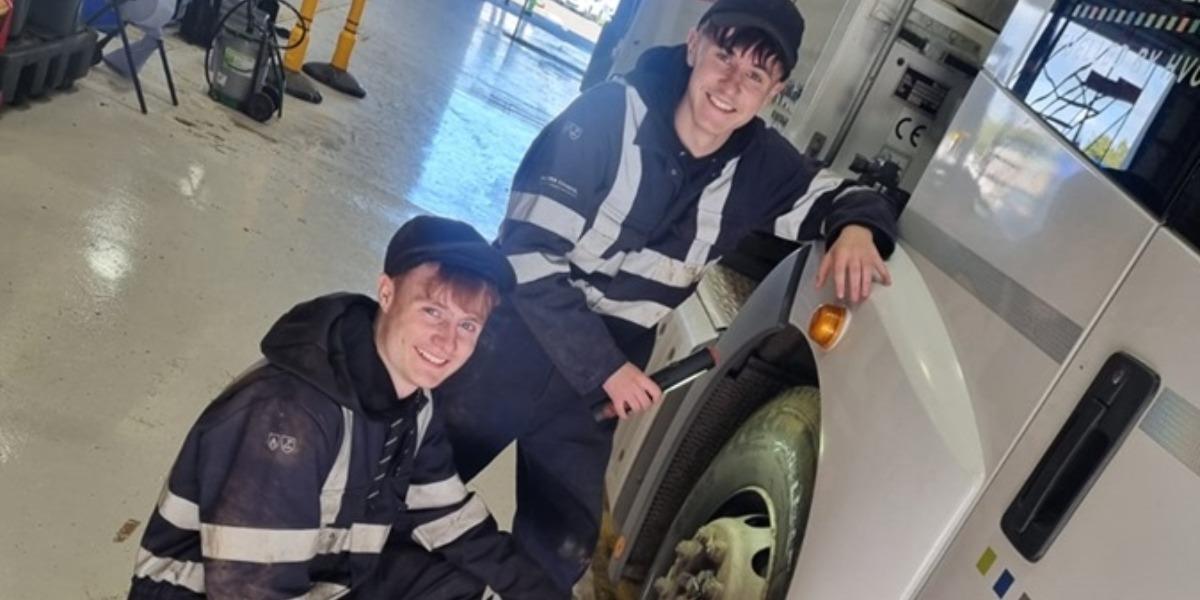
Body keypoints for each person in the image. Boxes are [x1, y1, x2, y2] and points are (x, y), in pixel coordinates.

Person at [434, 0, 900, 593]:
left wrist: (857, 228)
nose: (732, 84)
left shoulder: (762, 167)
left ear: (774, 89)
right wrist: (607, 369)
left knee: (559, 553)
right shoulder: (606, 116)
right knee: (414, 489)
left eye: (755, 75)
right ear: (694, 44)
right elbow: (524, 257)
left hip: (597, 380)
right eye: (724, 56)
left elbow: (847, 196)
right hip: (513, 341)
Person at [128, 216, 556, 599]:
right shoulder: (288, 416)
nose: (447, 342)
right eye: (431, 311)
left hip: (323, 576)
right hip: (203, 591)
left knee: (465, 586)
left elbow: (451, 522)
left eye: (467, 325)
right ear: (386, 293)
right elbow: (250, 590)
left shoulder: (414, 403)